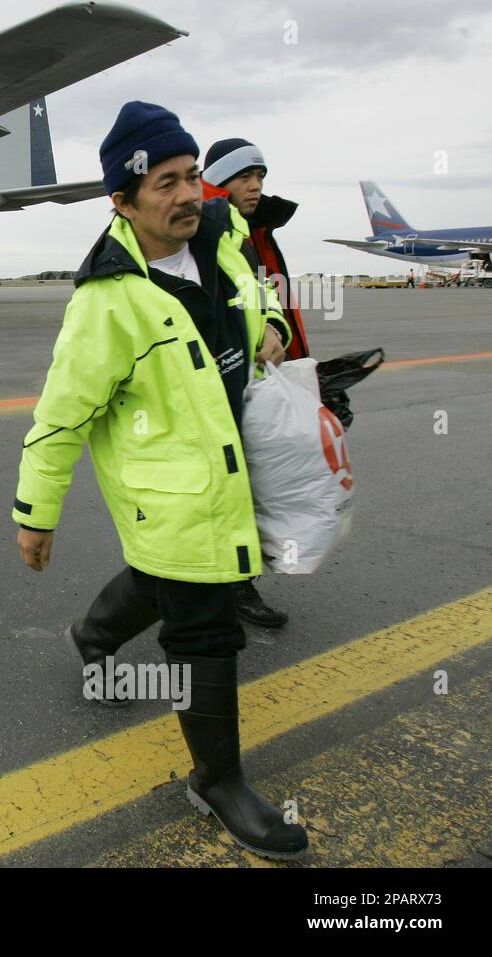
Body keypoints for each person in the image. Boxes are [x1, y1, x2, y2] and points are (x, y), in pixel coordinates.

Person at [12, 101, 305, 858]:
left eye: (191, 177)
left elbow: (257, 285)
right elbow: (59, 418)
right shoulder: (105, 303)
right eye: (164, 184)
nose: (186, 195)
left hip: (238, 460)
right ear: (123, 201)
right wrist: (35, 514)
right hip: (169, 491)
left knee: (164, 578)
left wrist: (270, 320)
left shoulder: (217, 236)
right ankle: (217, 780)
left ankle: (92, 632)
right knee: (204, 624)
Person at [202, 139, 305, 628]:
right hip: (211, 385)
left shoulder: (245, 231)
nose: (256, 186)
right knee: (219, 491)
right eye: (244, 176)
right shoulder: (200, 225)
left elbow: (263, 295)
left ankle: (234, 583)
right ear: (219, 180)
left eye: (260, 177)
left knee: (245, 484)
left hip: (248, 379)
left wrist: (276, 329)